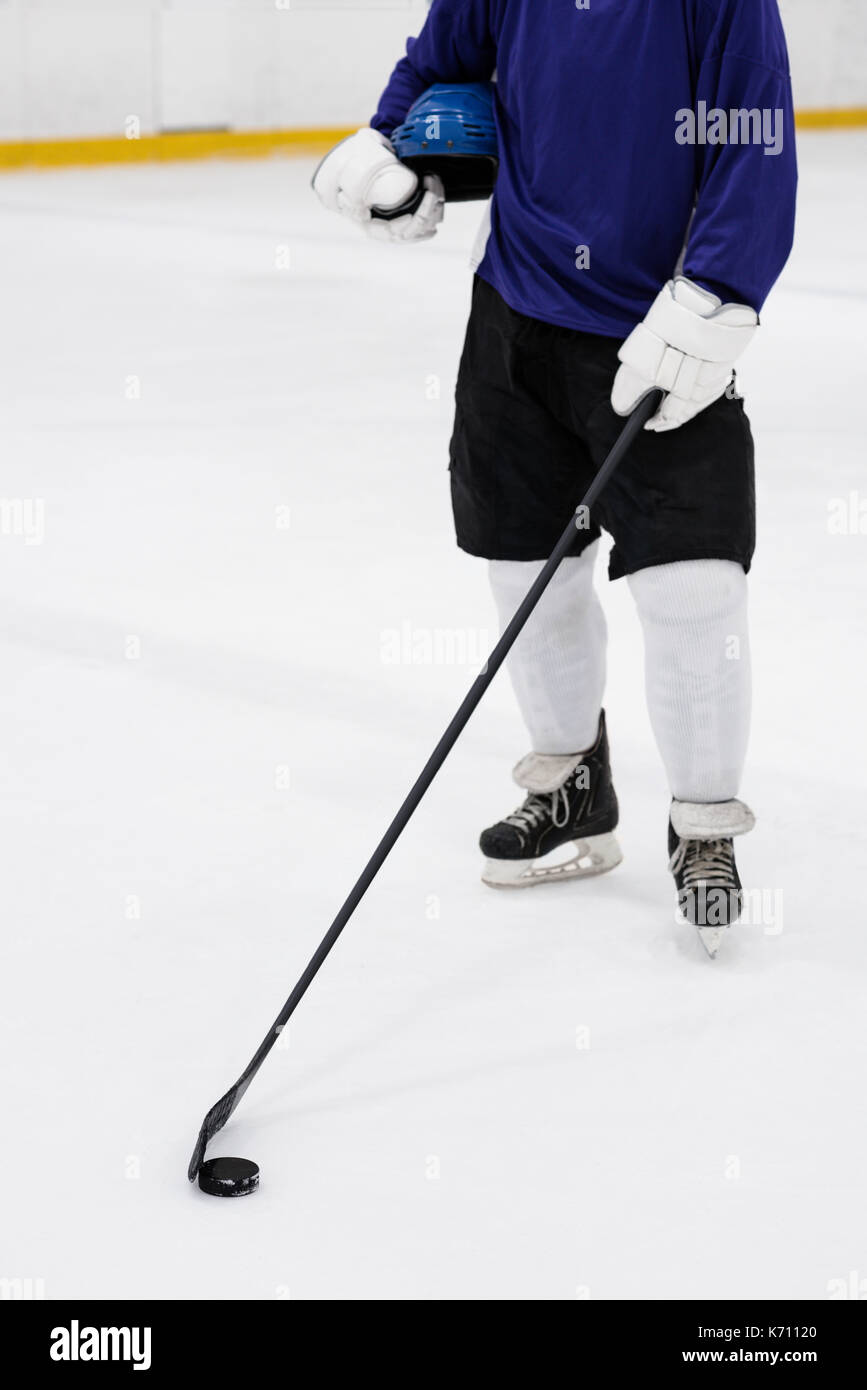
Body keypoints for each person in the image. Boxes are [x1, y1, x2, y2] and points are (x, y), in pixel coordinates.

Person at [313, 0, 798, 955]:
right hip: (513, 319)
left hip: (656, 327)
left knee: (694, 588)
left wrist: (717, 295)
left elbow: (756, 135)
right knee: (525, 571)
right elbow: (438, 58)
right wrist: (385, 149)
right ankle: (572, 787)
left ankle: (702, 828)